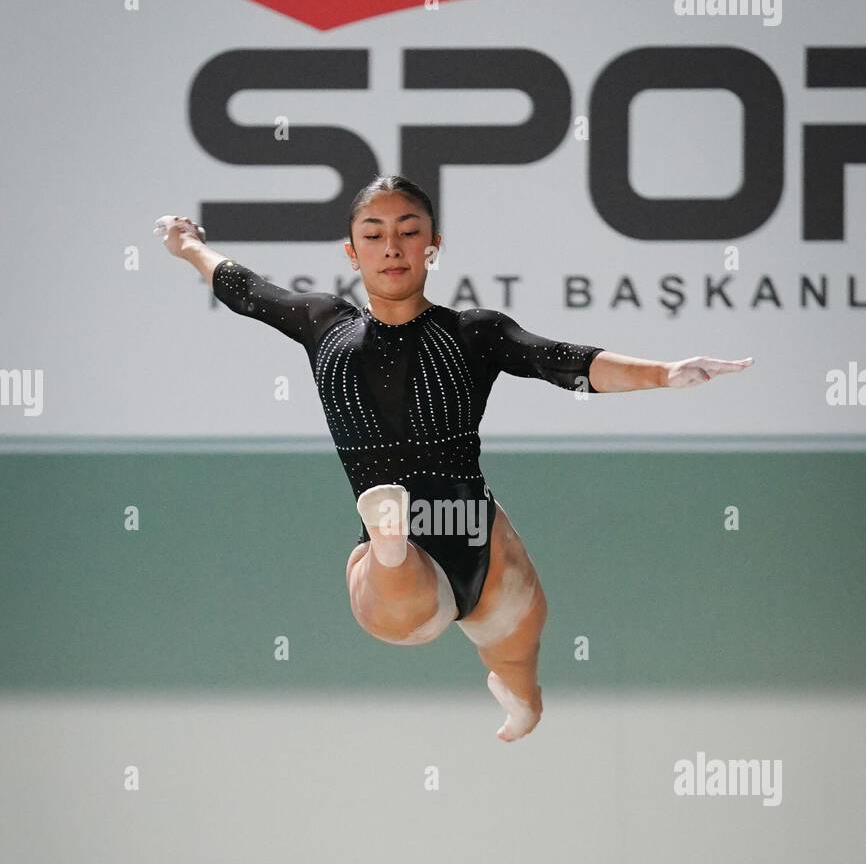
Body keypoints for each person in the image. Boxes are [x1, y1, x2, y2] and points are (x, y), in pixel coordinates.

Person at [155, 176, 752, 741]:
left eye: (409, 231)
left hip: (479, 539)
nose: (392, 247)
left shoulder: (474, 333)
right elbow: (248, 291)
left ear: (433, 246)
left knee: (521, 648)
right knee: (406, 603)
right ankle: (390, 545)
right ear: (352, 252)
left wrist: (665, 374)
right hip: (408, 554)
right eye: (374, 234)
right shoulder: (325, 326)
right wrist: (190, 250)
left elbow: (564, 361)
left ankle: (523, 701)